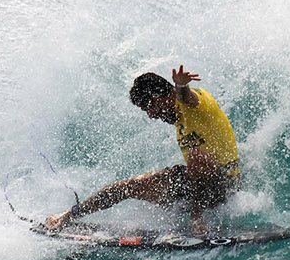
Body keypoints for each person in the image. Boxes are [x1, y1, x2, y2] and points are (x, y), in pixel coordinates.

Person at [46, 64, 240, 234]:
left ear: (157, 99)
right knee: (128, 186)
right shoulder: (180, 120)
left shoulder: (197, 103)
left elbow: (187, 98)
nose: (151, 116)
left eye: (148, 108)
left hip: (224, 185)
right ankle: (69, 215)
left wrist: (181, 86)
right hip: (195, 186)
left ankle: (197, 219)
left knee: (198, 156)